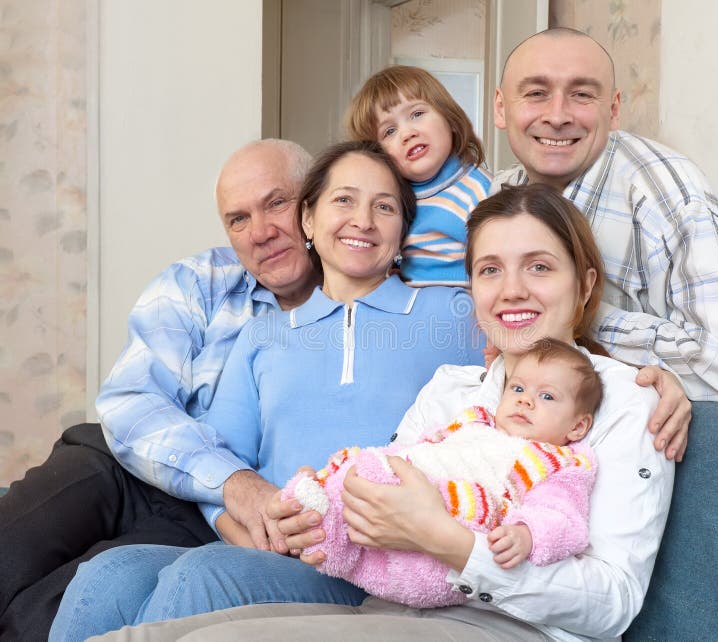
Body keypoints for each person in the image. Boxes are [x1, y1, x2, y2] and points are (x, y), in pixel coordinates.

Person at [81, 184, 675, 642]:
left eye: (539, 267)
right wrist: (318, 510)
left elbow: (615, 600)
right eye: (490, 269)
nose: (512, 289)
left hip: (503, 626)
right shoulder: (453, 389)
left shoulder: (628, 402)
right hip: (390, 603)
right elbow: (376, 484)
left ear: (586, 282)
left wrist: (446, 541)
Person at [49, 141, 486, 641]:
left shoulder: (455, 318)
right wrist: (248, 532)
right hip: (276, 550)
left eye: (384, 206)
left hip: (373, 563)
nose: (362, 220)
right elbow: (223, 465)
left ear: (402, 231)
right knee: (108, 574)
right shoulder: (264, 335)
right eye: (343, 200)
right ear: (308, 221)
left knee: (204, 573)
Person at [0, 139, 323, 642]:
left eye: (276, 203)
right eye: (238, 219)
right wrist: (234, 481)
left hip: (206, 520)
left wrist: (237, 499)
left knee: (51, 614)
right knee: (8, 547)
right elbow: (132, 400)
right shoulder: (201, 280)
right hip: (120, 465)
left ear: (315, 202)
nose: (261, 232)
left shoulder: (356, 316)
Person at [492, 27, 718, 426]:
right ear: (501, 108)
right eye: (536, 93)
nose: (557, 116)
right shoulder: (496, 195)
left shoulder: (668, 192)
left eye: (582, 94)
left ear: (612, 109)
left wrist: (575, 317)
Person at [283, 338, 602, 608]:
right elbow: (424, 448)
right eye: (517, 388)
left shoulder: (555, 463)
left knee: (370, 478)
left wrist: (527, 534)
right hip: (409, 491)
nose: (525, 400)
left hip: (456, 525)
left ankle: (336, 521)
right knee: (357, 473)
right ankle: (323, 524)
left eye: (546, 396)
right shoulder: (475, 422)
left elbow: (562, 517)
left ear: (577, 426)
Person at [347, 65, 492, 286]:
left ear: (449, 119)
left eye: (417, 114)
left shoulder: (482, 191)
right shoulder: (389, 200)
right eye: (390, 131)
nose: (407, 133)